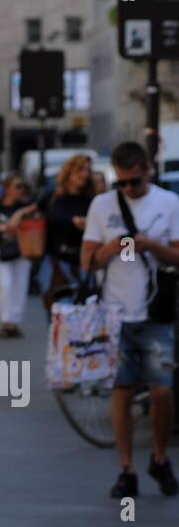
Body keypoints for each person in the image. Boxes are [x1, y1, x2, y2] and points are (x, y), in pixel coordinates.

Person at [81, 140, 179, 500]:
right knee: (121, 391)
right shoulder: (101, 205)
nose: (127, 189)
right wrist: (112, 248)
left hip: (156, 312)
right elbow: (87, 260)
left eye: (134, 182)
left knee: (162, 390)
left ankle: (159, 456)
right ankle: (127, 469)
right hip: (114, 312)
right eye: (121, 183)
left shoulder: (169, 204)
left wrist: (151, 245)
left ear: (146, 172)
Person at [0, 175, 39, 337]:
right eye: (17, 186)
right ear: (7, 189)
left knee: (20, 288)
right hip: (3, 253)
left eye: (23, 186)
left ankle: (14, 322)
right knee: (6, 286)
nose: (21, 190)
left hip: (22, 252)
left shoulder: (26, 207)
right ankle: (6, 321)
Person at [41, 153, 94, 311]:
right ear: (69, 171)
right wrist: (17, 217)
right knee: (57, 312)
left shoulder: (92, 200)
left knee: (82, 312)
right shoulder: (52, 197)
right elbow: (33, 212)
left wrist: (88, 226)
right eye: (80, 169)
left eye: (88, 170)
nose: (84, 174)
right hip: (55, 262)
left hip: (82, 263)